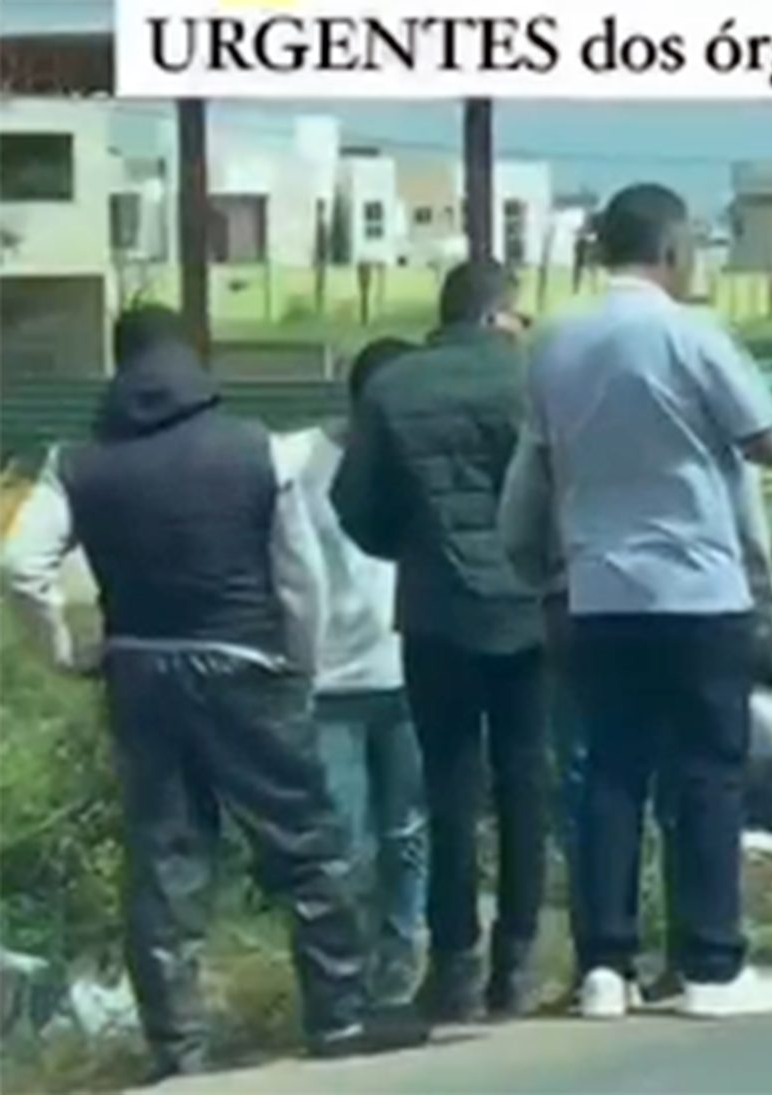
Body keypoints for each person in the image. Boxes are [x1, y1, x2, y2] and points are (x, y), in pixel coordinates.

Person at [0, 306, 427, 1081]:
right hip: (247, 666)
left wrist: (67, 649)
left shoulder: (78, 460)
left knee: (164, 860)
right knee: (307, 845)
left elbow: (19, 564)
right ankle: (337, 1019)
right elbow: (297, 574)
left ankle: (179, 1049)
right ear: (196, 361)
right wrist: (297, 661)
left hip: (140, 672)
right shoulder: (254, 450)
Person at [512, 182, 772, 1020]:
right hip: (699, 587)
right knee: (706, 772)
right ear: (673, 250)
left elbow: (534, 469)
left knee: (612, 773)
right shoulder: (691, 333)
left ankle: (606, 965)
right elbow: (767, 442)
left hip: (598, 589)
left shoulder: (555, 342)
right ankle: (710, 962)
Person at [331, 263, 548, 1022]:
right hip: (527, 610)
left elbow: (353, 506)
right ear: (496, 315)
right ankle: (517, 961)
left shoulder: (393, 388)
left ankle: (454, 961)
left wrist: (414, 547)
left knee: (449, 787)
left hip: (435, 613)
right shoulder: (531, 381)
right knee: (525, 782)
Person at [277, 337, 427, 1008]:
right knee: (344, 840)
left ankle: (404, 959)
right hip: (328, 683)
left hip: (410, 670)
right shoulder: (296, 460)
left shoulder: (425, 456)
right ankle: (347, 976)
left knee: (408, 831)